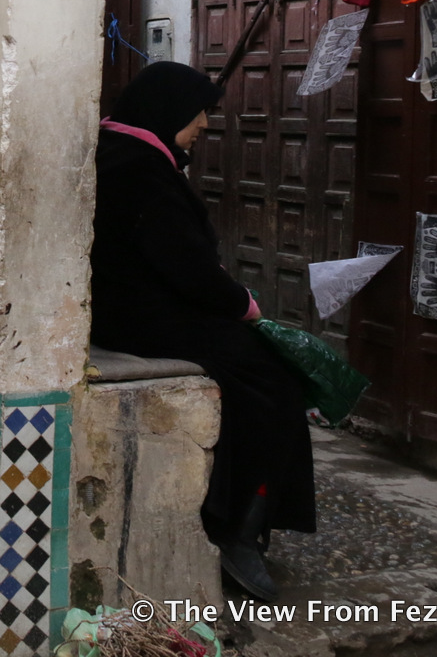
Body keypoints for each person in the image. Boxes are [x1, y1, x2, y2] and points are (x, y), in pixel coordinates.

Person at [90, 61, 315, 601]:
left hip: (142, 312)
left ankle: (243, 517)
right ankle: (237, 527)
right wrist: (244, 305)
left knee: (256, 375)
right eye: (199, 113)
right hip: (147, 321)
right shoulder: (140, 168)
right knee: (273, 383)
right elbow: (185, 266)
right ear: (168, 111)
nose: (205, 125)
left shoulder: (128, 155)